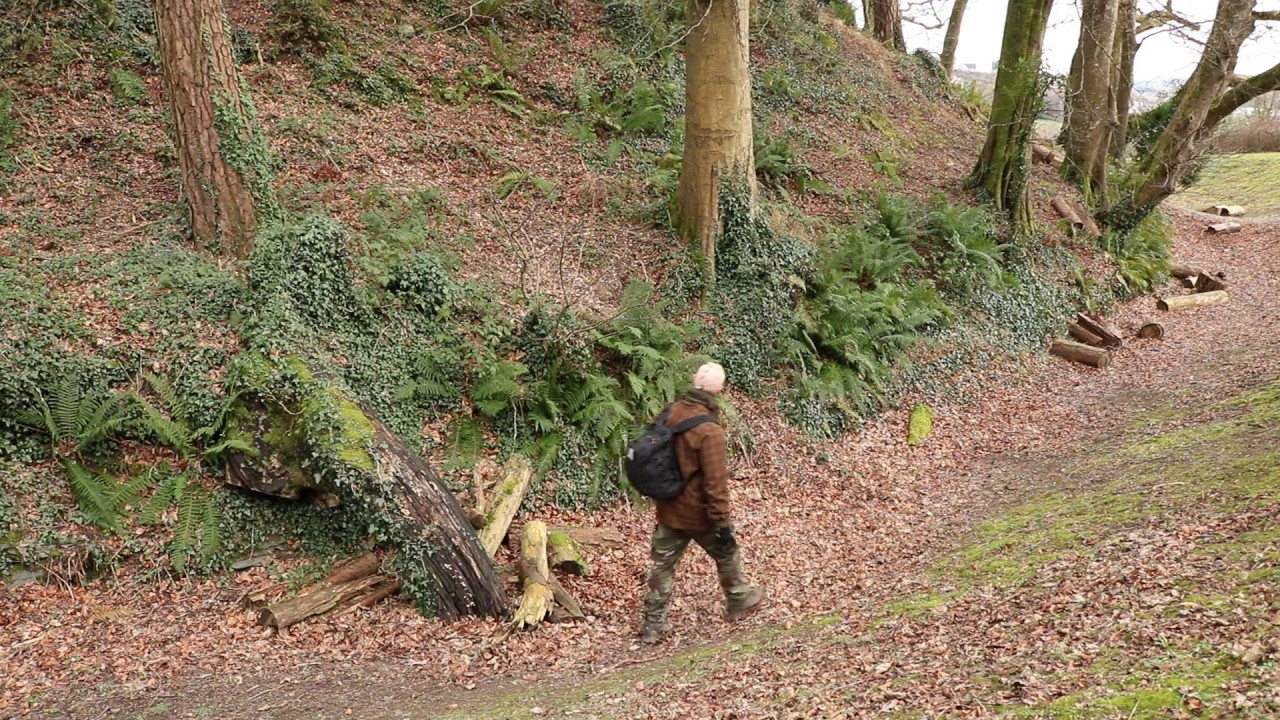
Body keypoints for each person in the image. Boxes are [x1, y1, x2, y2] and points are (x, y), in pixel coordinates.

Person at [641, 362, 763, 644]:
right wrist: (722, 522)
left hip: (668, 508)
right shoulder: (709, 431)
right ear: (718, 391)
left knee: (662, 566)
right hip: (698, 514)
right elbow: (715, 484)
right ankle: (739, 598)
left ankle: (652, 625)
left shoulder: (669, 413)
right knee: (727, 552)